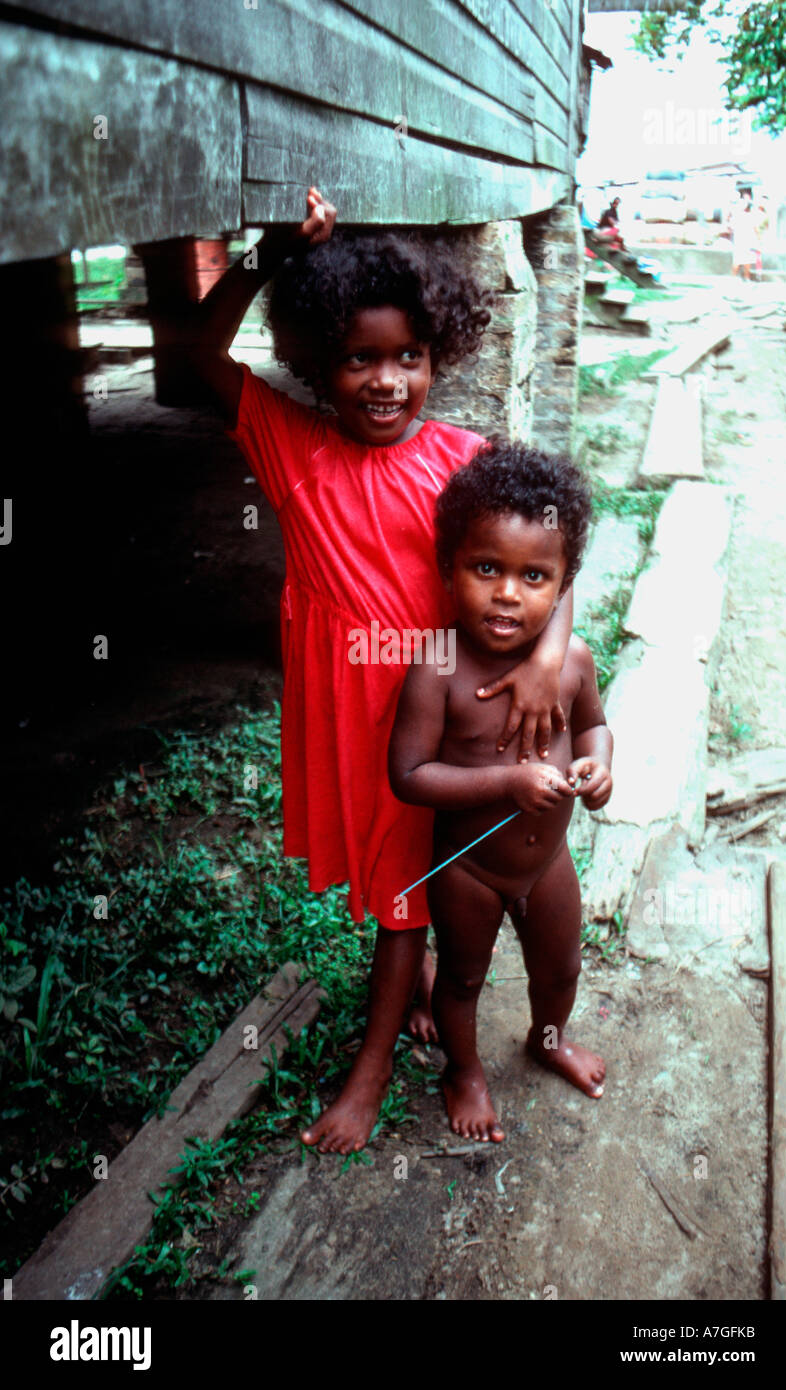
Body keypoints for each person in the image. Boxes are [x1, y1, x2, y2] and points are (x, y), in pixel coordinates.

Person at [185, 188, 576, 1153]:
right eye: (359, 358)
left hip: (446, 710)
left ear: (438, 354)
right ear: (320, 364)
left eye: (409, 356)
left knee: (414, 887)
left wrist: (550, 655)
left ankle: (372, 1074)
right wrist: (266, 254)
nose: (386, 380)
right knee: (400, 879)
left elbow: (549, 557)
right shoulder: (291, 446)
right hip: (352, 709)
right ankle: (423, 1007)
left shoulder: (464, 459)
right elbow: (199, 350)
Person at [389, 441, 613, 1142]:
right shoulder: (438, 667)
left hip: (547, 865)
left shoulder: (570, 660)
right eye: (486, 569)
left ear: (563, 581)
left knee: (561, 968)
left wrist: (600, 769)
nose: (509, 592)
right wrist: (508, 780)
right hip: (469, 871)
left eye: (534, 576)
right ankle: (463, 1071)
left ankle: (546, 1039)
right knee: (460, 981)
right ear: (448, 567)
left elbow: (594, 728)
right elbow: (409, 775)